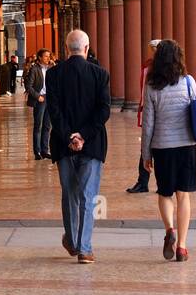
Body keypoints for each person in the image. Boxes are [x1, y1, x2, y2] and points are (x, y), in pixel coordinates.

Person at [45, 29, 111, 263]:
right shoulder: (100, 74)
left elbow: (54, 111)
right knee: (88, 195)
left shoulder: (53, 74)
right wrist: (83, 135)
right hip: (92, 144)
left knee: (69, 194)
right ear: (86, 48)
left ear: (66, 48)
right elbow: (103, 110)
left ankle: (72, 241)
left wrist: (69, 136)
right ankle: (84, 248)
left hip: (64, 145)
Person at [141, 38, 196, 262]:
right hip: (186, 146)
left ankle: (169, 230)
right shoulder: (188, 82)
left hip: (162, 147)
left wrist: (146, 154)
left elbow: (148, 122)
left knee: (165, 193)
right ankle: (183, 247)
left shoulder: (151, 85)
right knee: (183, 195)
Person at [126, 39, 160, 194]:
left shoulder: (161, 68)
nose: (152, 51)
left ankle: (157, 182)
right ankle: (143, 181)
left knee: (155, 147)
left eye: (154, 48)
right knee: (145, 146)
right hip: (148, 109)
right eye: (151, 48)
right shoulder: (148, 65)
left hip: (158, 112)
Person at [23, 48, 53, 159]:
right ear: (40, 57)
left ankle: (45, 150)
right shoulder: (34, 69)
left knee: (47, 126)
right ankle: (37, 152)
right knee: (38, 126)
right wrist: (37, 96)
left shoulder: (51, 68)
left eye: (49, 56)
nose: (48, 58)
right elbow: (28, 86)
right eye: (46, 56)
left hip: (49, 99)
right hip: (40, 100)